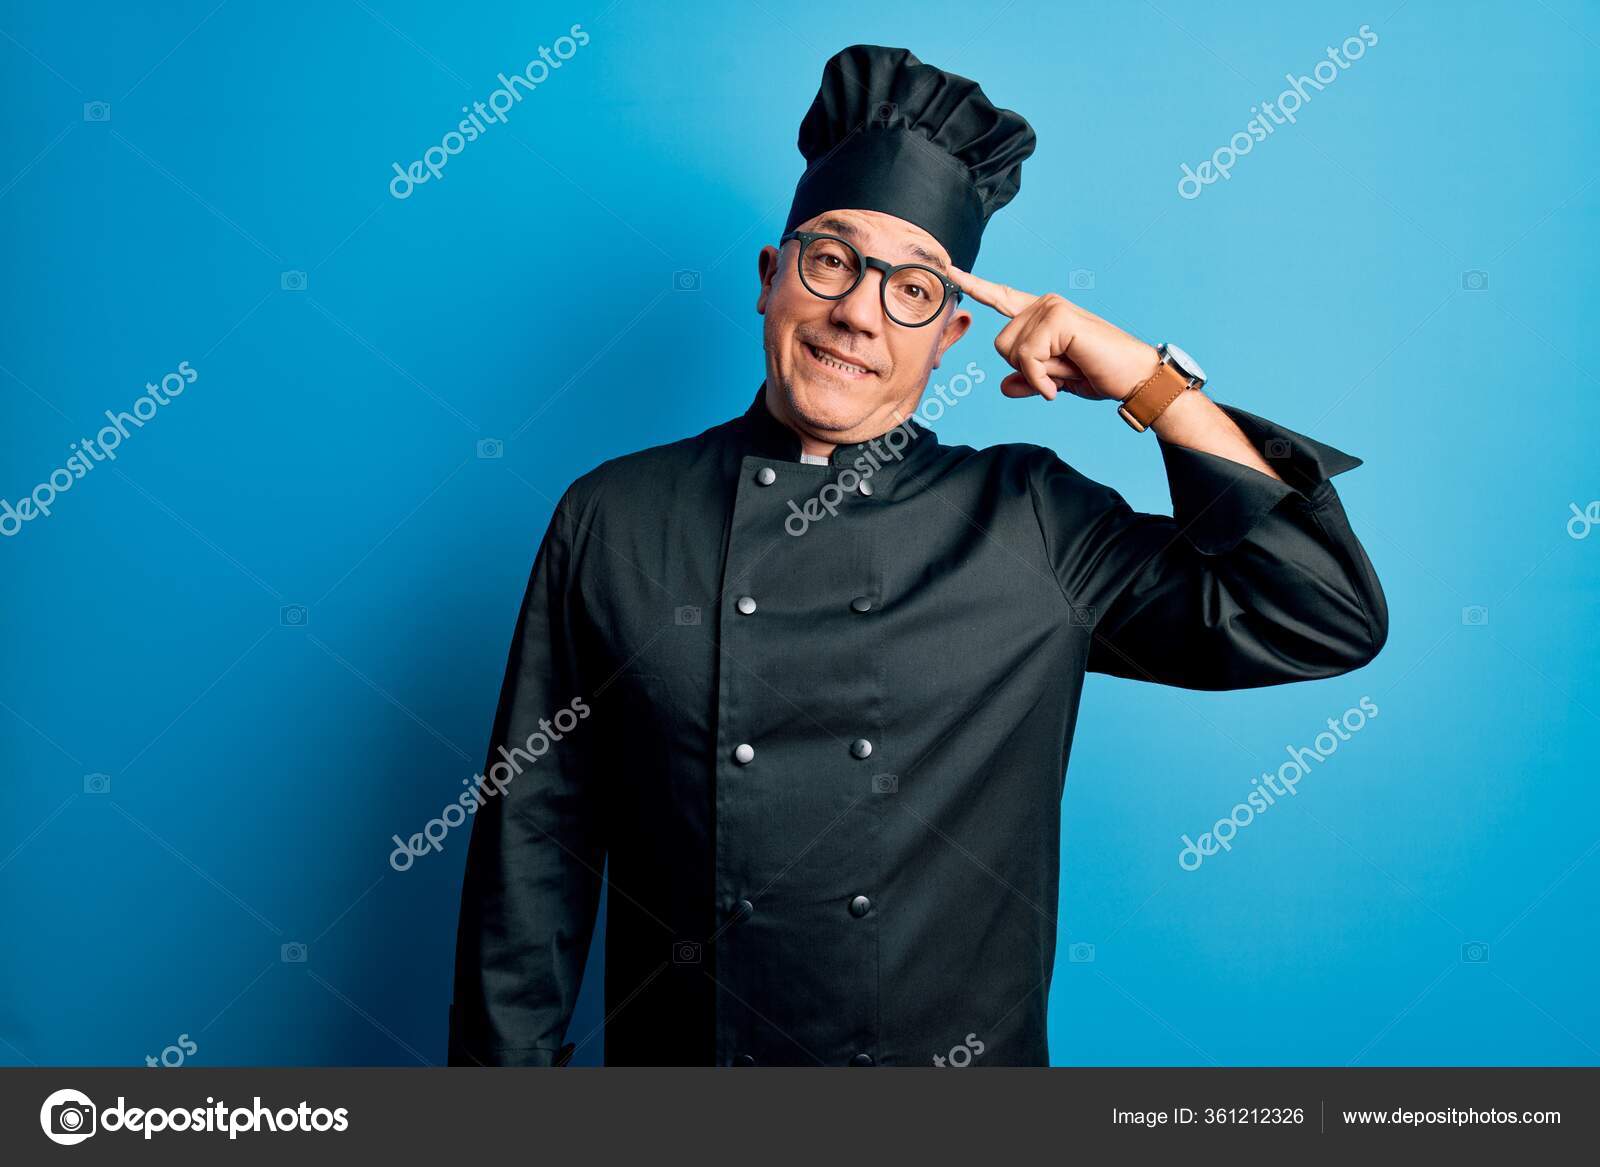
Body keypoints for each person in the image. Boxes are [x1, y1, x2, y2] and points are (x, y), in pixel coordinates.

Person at [448, 44, 1387, 1068]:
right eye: (831, 261)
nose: (857, 312)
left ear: (948, 335)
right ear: (770, 280)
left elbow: (1321, 612)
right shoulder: (616, 516)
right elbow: (531, 864)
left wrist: (1145, 381)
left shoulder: (1032, 521)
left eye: (913, 288)